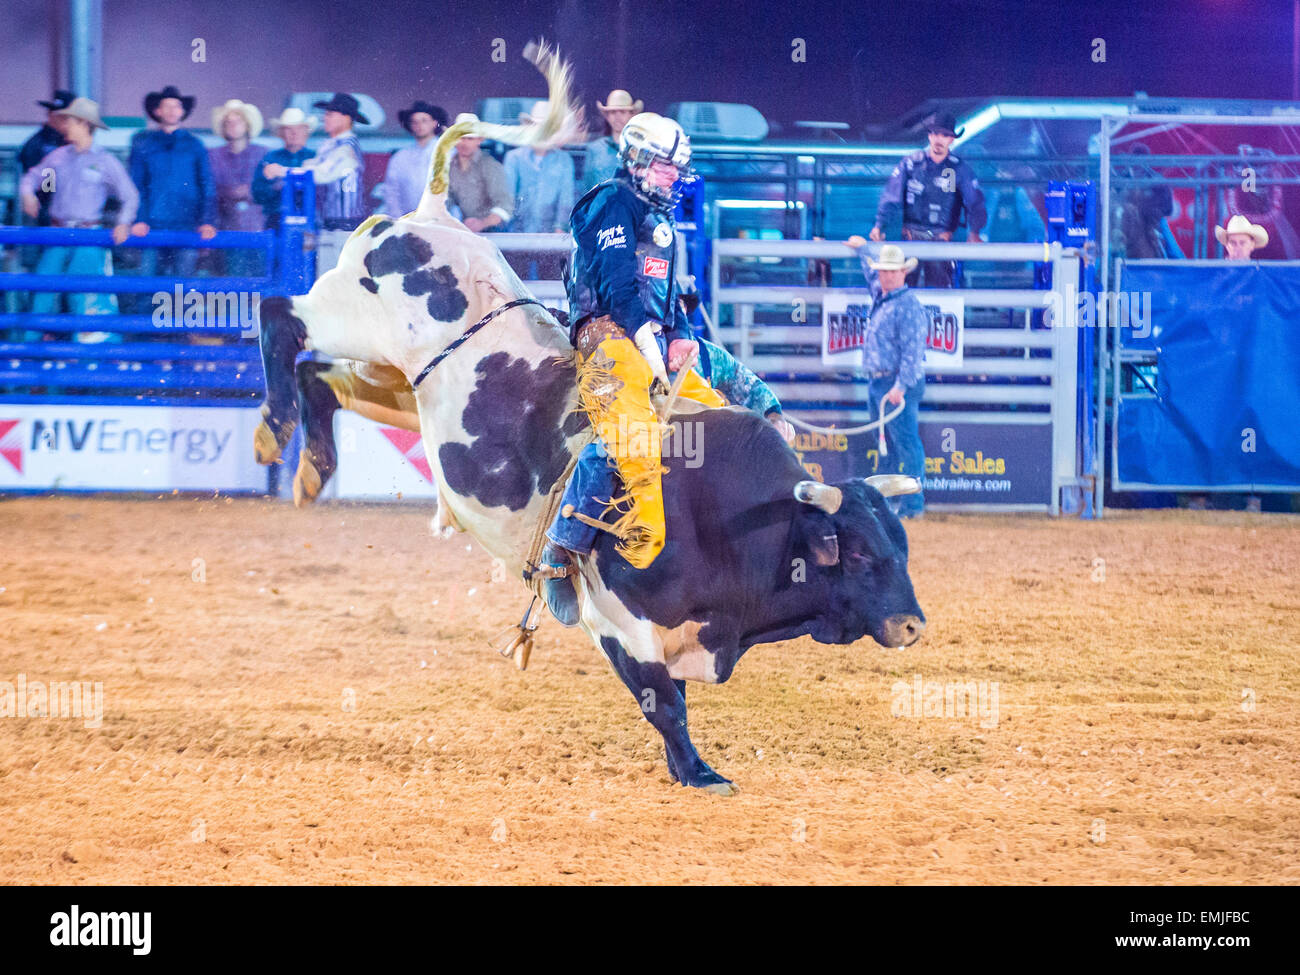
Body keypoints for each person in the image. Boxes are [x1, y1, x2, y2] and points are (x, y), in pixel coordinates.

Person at [537, 112, 736, 624]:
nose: (676, 176)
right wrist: (650, 347)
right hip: (605, 334)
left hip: (650, 337)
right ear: (642, 161)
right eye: (669, 166)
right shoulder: (612, 203)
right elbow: (619, 289)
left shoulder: (658, 217)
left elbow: (664, 300)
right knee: (629, 433)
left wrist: (679, 341)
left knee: (716, 421)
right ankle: (561, 549)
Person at [19, 98, 137, 338]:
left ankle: (83, 354)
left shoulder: (104, 161)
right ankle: (31, 348)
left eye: (70, 121)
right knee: (42, 289)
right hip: (59, 233)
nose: (65, 125)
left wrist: (124, 222)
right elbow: (32, 178)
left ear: (84, 124)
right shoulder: (58, 157)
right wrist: (28, 195)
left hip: (87, 235)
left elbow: (130, 196)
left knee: (82, 296)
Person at [844, 238, 930, 519]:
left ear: (904, 273)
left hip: (895, 383)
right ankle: (890, 504)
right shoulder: (883, 294)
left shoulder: (907, 305)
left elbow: (913, 352)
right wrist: (862, 248)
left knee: (904, 442)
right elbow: (871, 272)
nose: (886, 276)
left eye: (892, 271)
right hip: (881, 382)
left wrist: (900, 387)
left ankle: (913, 505)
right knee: (888, 444)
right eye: (883, 271)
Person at [870, 111, 986, 288]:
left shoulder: (960, 169)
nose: (939, 139)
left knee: (941, 297)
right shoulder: (911, 164)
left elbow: (975, 202)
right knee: (903, 289)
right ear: (929, 136)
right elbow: (891, 196)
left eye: (945, 135)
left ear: (951, 139)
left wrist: (974, 232)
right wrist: (880, 225)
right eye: (936, 134)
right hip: (910, 238)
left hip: (941, 240)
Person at [128, 85, 217, 306]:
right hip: (152, 225)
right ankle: (144, 334)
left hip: (186, 224)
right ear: (157, 111)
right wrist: (139, 218)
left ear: (182, 111)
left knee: (184, 284)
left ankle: (180, 335)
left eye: (176, 106)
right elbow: (135, 184)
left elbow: (207, 184)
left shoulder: (195, 145)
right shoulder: (143, 144)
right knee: (148, 282)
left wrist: (206, 221)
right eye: (166, 106)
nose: (171, 110)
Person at [263, 92, 367, 276]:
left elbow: (321, 174)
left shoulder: (347, 147)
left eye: (330, 114)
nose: (325, 118)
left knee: (336, 280)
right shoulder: (331, 146)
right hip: (332, 227)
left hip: (344, 230)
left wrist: (283, 171)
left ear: (346, 118)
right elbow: (313, 168)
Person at [503, 100, 575, 278]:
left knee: (551, 285)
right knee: (515, 287)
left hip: (550, 237)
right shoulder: (513, 158)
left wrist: (559, 231)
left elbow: (566, 199)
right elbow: (507, 198)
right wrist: (510, 232)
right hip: (517, 236)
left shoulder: (564, 160)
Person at [208, 99, 267, 276]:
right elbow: (210, 188)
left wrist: (249, 191)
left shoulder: (263, 153)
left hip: (257, 227)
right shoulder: (213, 155)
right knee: (229, 282)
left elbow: (270, 188)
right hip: (226, 227)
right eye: (228, 122)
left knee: (257, 282)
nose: (233, 126)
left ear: (247, 125)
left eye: (238, 121)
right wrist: (235, 192)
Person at [378, 100, 448, 217]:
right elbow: (391, 192)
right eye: (414, 122)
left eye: (424, 121)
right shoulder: (400, 157)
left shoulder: (447, 154)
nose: (419, 125)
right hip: (407, 221)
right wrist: (398, 219)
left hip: (440, 221)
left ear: (435, 123)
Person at [445, 112, 513, 232]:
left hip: (494, 234)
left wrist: (482, 223)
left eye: (470, 138)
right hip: (465, 232)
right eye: (460, 138)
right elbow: (446, 201)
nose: (464, 143)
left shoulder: (490, 165)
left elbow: (505, 205)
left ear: (480, 140)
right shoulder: (449, 167)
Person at [252, 108, 317, 230]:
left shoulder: (316, 157)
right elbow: (257, 194)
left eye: (299, 128)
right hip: (277, 221)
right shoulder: (270, 158)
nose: (294, 133)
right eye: (288, 129)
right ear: (281, 133)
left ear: (306, 131)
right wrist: (275, 186)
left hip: (311, 220)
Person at [582, 89, 641, 193]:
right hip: (600, 207)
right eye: (613, 112)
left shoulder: (641, 149)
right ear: (607, 116)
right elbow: (586, 188)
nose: (617, 117)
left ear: (631, 115)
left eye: (622, 112)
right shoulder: (594, 149)